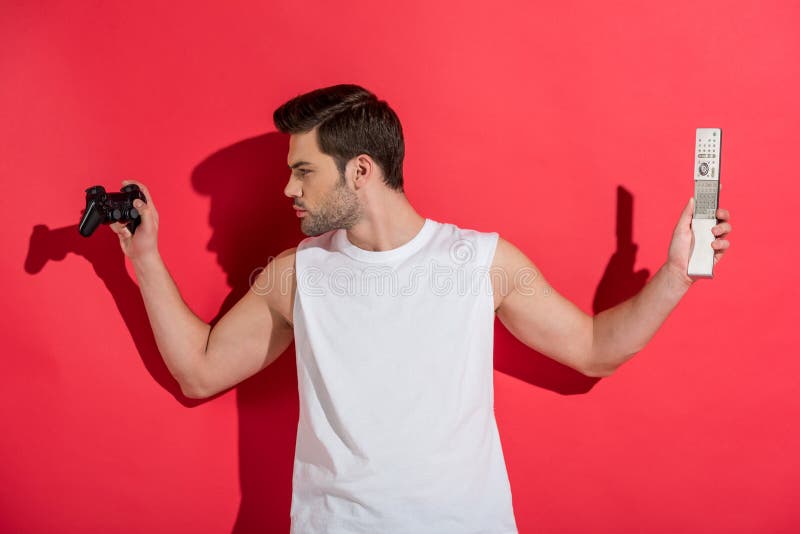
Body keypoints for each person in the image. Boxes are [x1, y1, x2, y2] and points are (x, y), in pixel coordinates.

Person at [110, 84, 732, 534]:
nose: (288, 190)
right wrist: (148, 258)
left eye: (303, 171)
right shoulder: (297, 274)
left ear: (360, 170)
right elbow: (198, 370)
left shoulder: (481, 260)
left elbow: (596, 350)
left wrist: (677, 274)